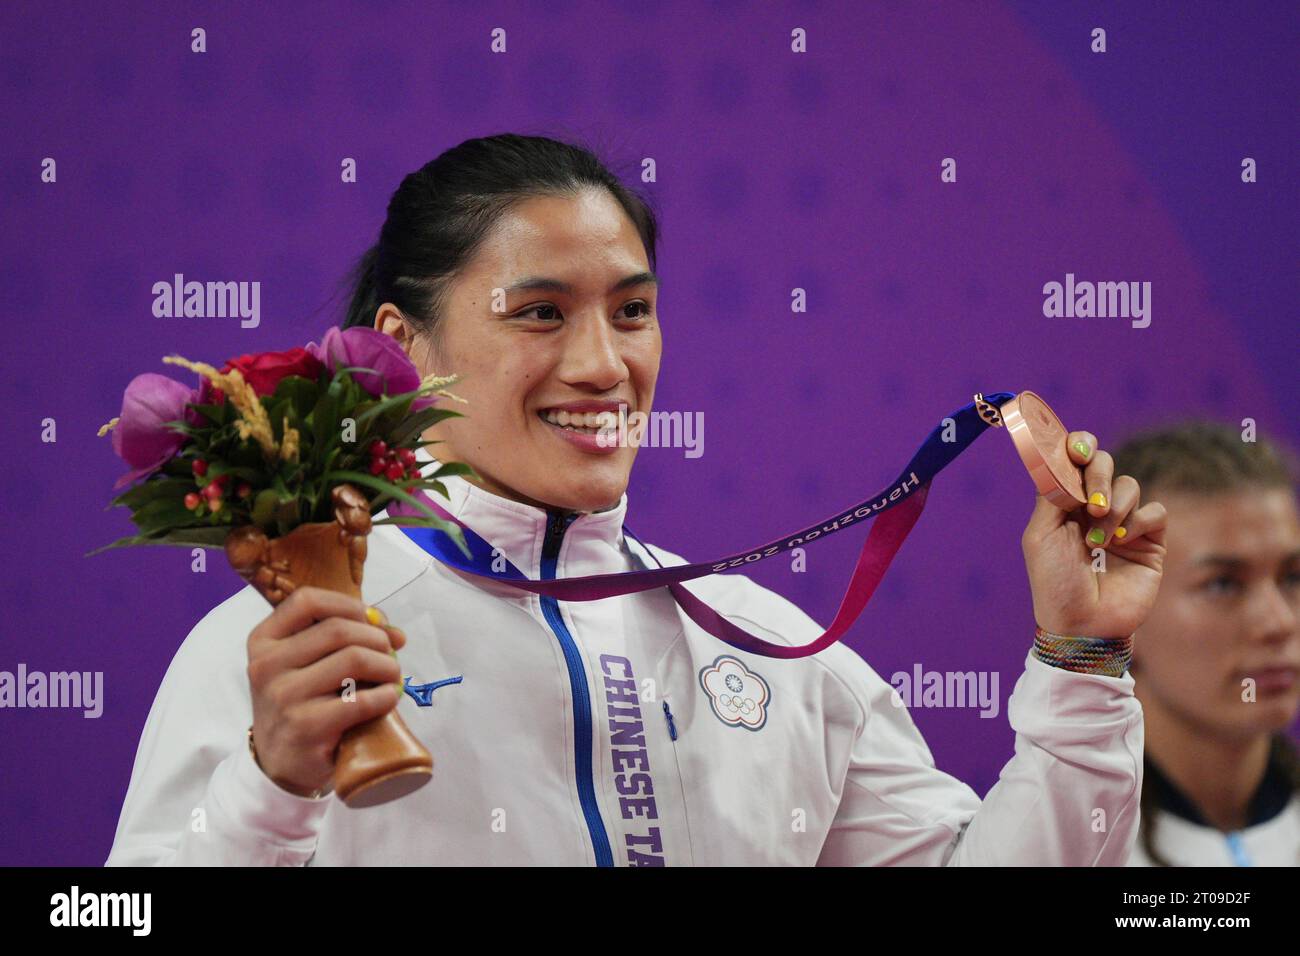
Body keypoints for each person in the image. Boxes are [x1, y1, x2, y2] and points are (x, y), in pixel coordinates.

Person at [106, 133, 1168, 866]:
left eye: (632, 310)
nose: (602, 363)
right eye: (539, 312)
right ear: (398, 344)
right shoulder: (287, 643)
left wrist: (1080, 656)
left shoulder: (769, 653)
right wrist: (272, 788)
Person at [1112, 422, 1300, 866]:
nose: (1279, 622)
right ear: (1119, 613)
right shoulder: (1056, 847)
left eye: (1292, 577)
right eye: (1222, 584)